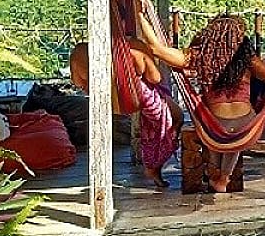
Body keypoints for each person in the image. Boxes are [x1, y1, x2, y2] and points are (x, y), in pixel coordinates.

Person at [136, 13, 265, 193]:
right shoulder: (247, 59)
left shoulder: (198, 55)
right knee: (233, 138)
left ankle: (217, 173)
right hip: (245, 123)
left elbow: (155, 48)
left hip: (213, 123)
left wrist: (141, 15)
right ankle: (223, 177)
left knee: (215, 134)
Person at [69, 41, 182, 190]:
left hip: (117, 96)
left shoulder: (80, 54)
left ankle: (153, 167)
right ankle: (153, 167)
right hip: (143, 96)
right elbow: (155, 78)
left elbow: (79, 83)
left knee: (151, 131)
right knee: (174, 122)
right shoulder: (134, 49)